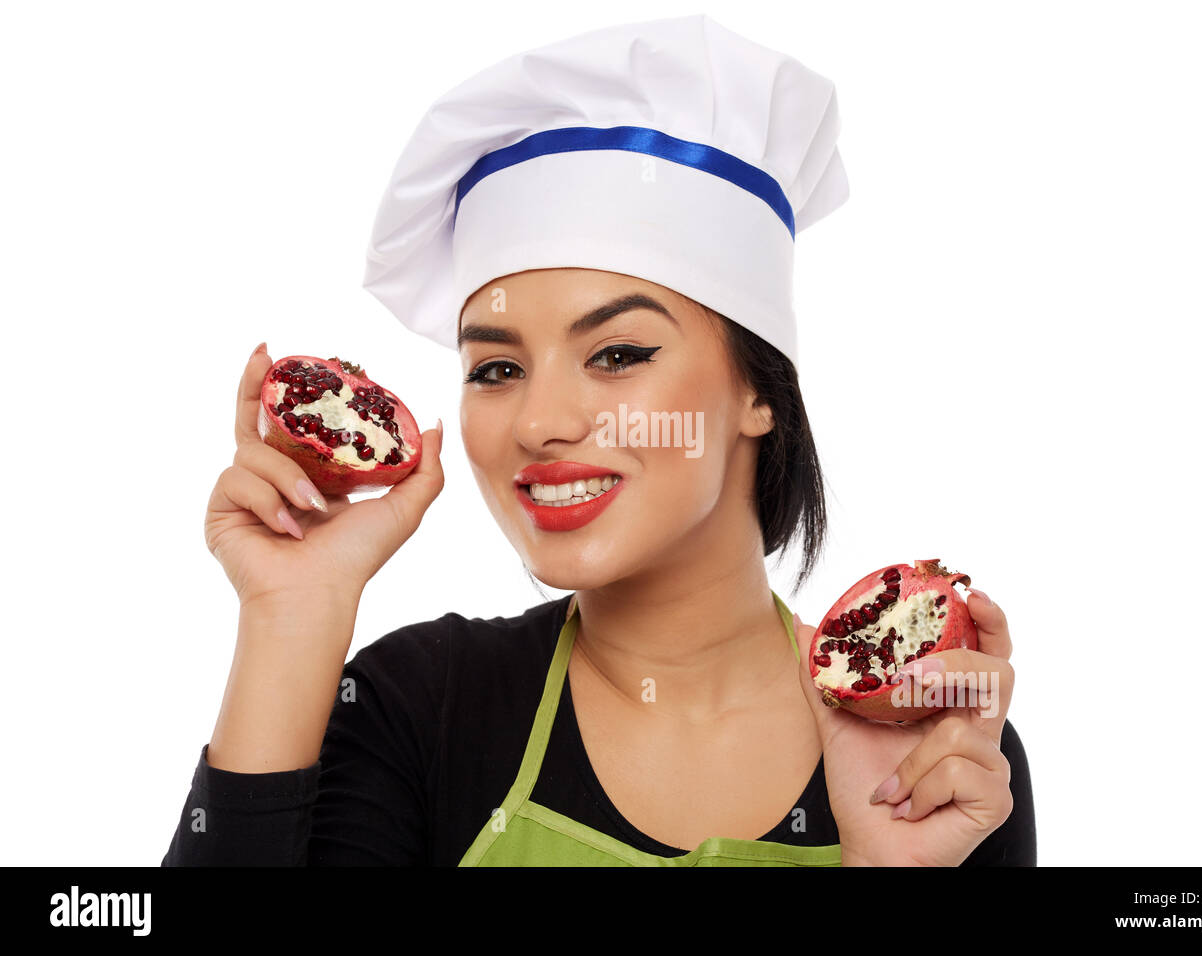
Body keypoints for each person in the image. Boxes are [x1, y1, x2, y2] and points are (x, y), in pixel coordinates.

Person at [164, 14, 1035, 867]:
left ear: (757, 392)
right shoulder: (419, 707)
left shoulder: (940, 757)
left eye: (618, 354)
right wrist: (290, 619)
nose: (541, 422)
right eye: (497, 370)